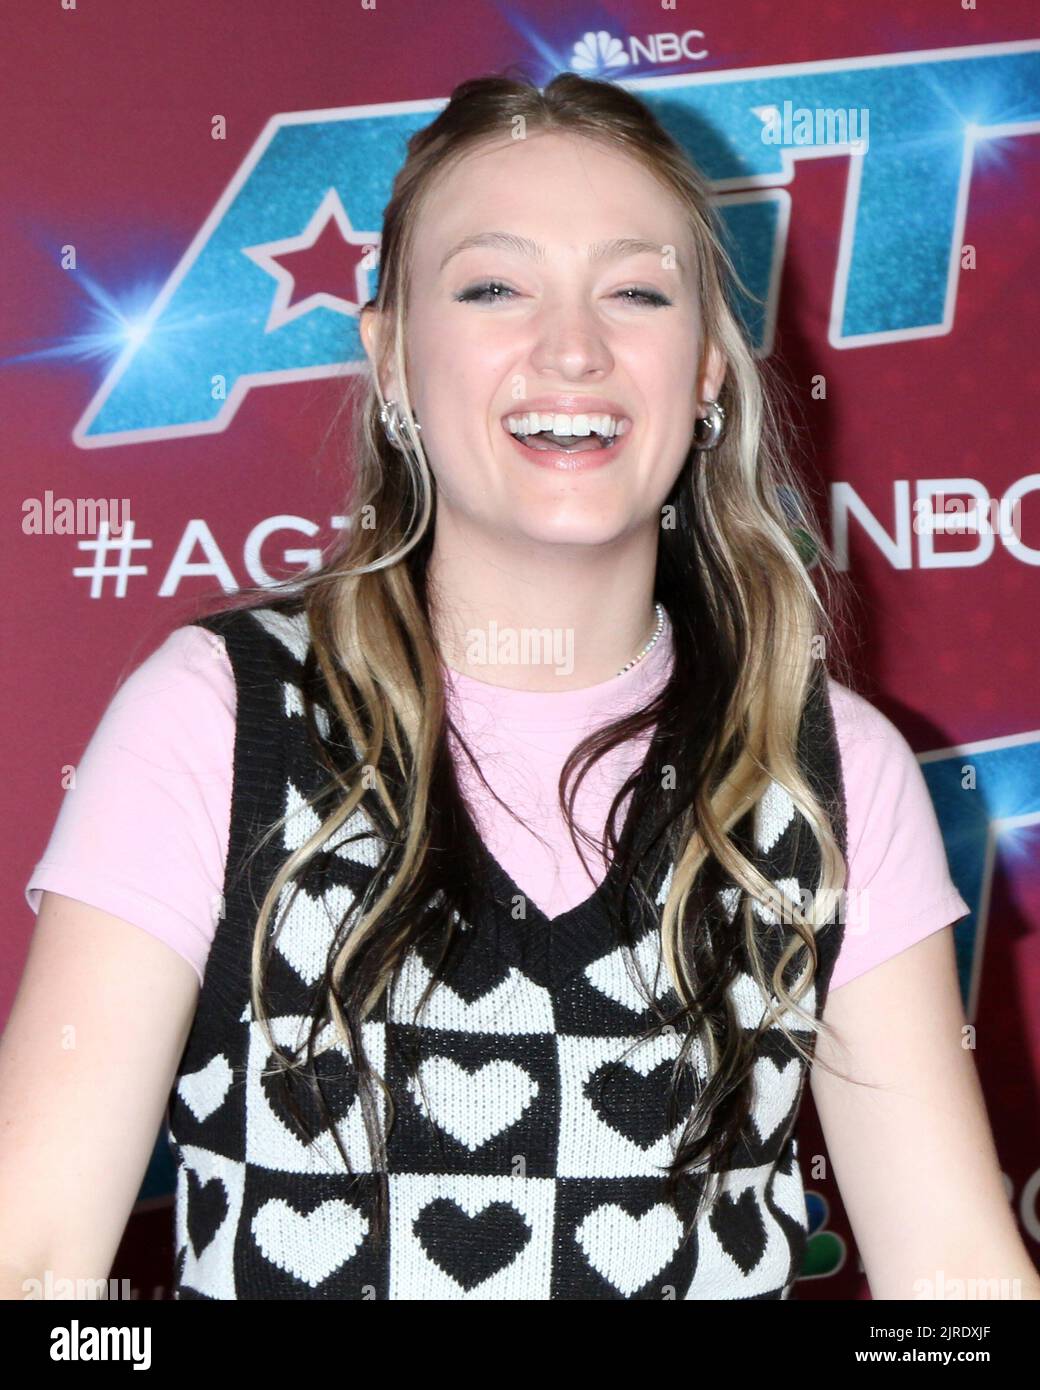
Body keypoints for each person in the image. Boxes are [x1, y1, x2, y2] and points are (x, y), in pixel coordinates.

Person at [5, 72, 1036, 1301]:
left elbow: (956, 1291)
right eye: (493, 286)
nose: (571, 348)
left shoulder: (824, 767)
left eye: (636, 291)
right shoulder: (220, 717)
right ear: (389, 356)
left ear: (705, 370)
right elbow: (36, 1264)